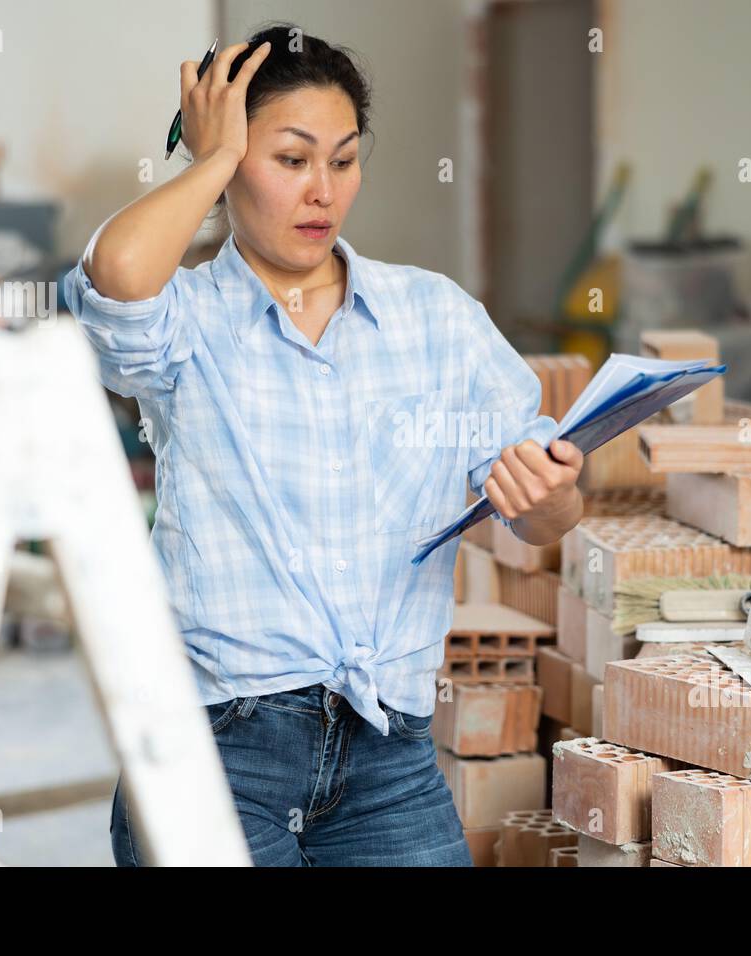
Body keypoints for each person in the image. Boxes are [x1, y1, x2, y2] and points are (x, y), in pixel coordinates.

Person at [64, 22, 585, 866]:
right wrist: (210, 158)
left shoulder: (434, 316)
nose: (323, 191)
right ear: (229, 164)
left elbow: (545, 517)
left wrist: (551, 490)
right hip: (217, 750)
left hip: (390, 754)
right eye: (290, 158)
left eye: (343, 161)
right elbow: (116, 278)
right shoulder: (189, 319)